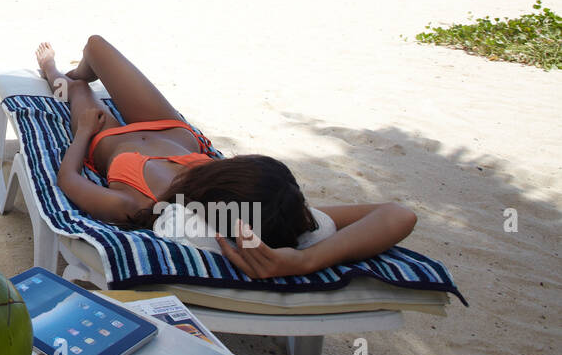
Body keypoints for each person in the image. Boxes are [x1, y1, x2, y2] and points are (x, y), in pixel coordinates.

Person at [35, 35, 417, 279]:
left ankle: (53, 70)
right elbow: (400, 214)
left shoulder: (141, 206)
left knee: (76, 88)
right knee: (96, 48)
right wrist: (303, 261)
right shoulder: (268, 208)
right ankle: (75, 68)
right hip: (171, 129)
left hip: (107, 137)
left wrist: (84, 132)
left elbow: (70, 181)